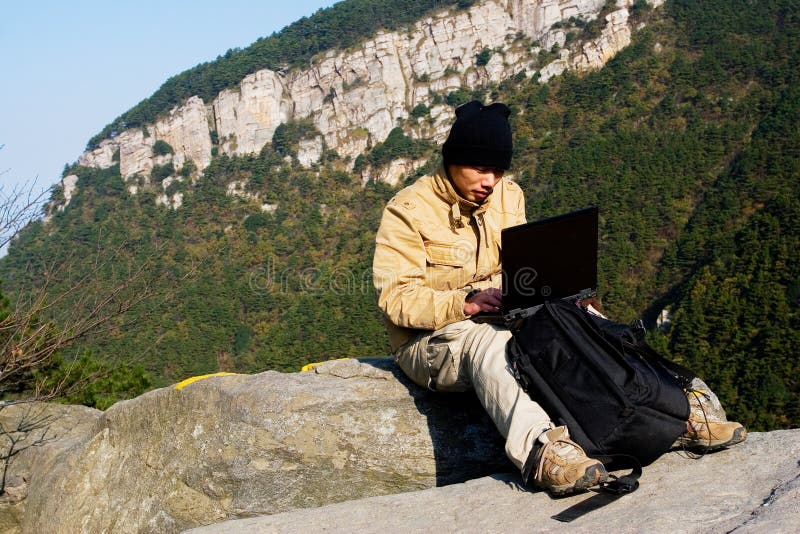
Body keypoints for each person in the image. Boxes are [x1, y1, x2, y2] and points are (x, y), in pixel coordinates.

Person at [372, 100, 746, 495]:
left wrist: (556, 290)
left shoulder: (507, 195)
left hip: (499, 306)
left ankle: (675, 415)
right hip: (432, 338)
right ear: (453, 161)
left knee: (587, 325)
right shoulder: (407, 211)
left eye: (499, 170)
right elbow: (397, 299)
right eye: (482, 169)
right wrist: (464, 304)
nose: (491, 181)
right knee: (492, 343)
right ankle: (545, 453)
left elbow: (522, 261)